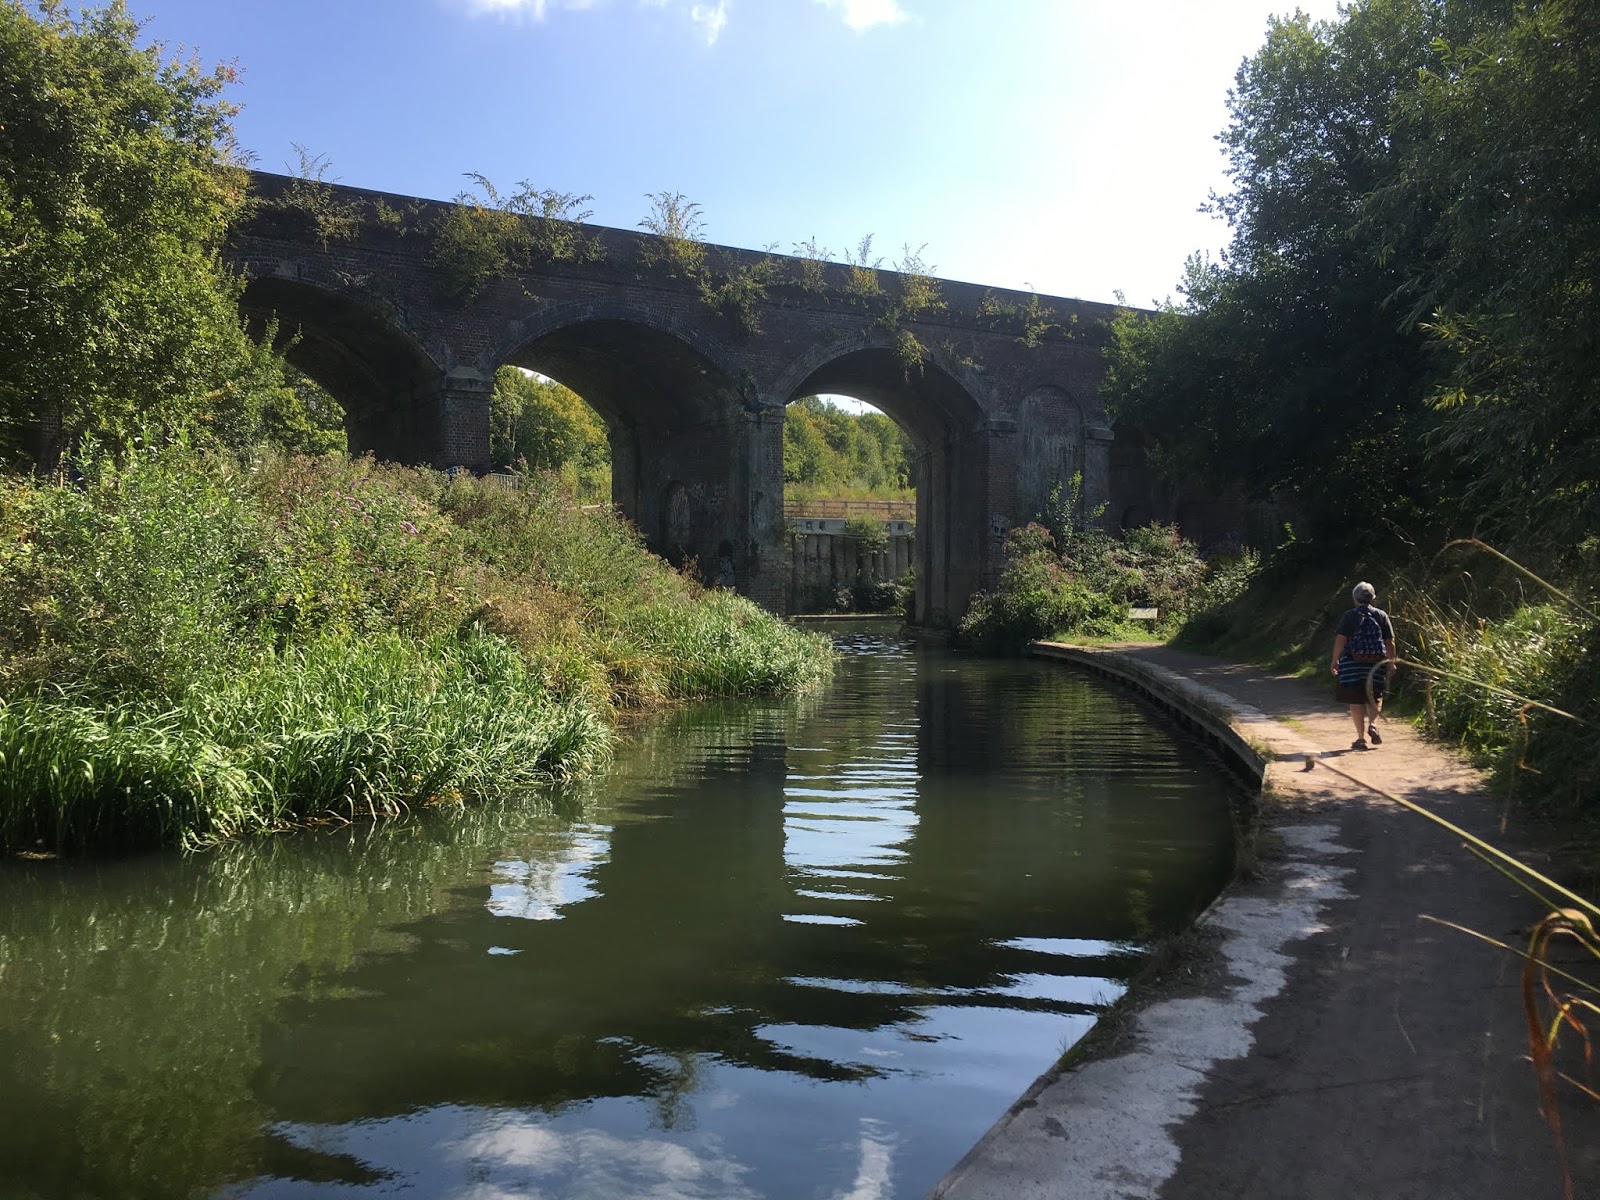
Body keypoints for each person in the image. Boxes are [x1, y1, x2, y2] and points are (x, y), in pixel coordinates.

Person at [1330, 581, 1396, 751]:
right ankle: (1373, 725)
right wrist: (1391, 662)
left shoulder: (1349, 616)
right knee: (1375, 696)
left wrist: (1335, 660)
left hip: (1353, 663)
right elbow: (1390, 642)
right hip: (1376, 663)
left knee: (1356, 699)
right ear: (1373, 598)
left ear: (1355, 598)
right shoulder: (1381, 615)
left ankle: (1360, 739)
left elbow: (1340, 640)